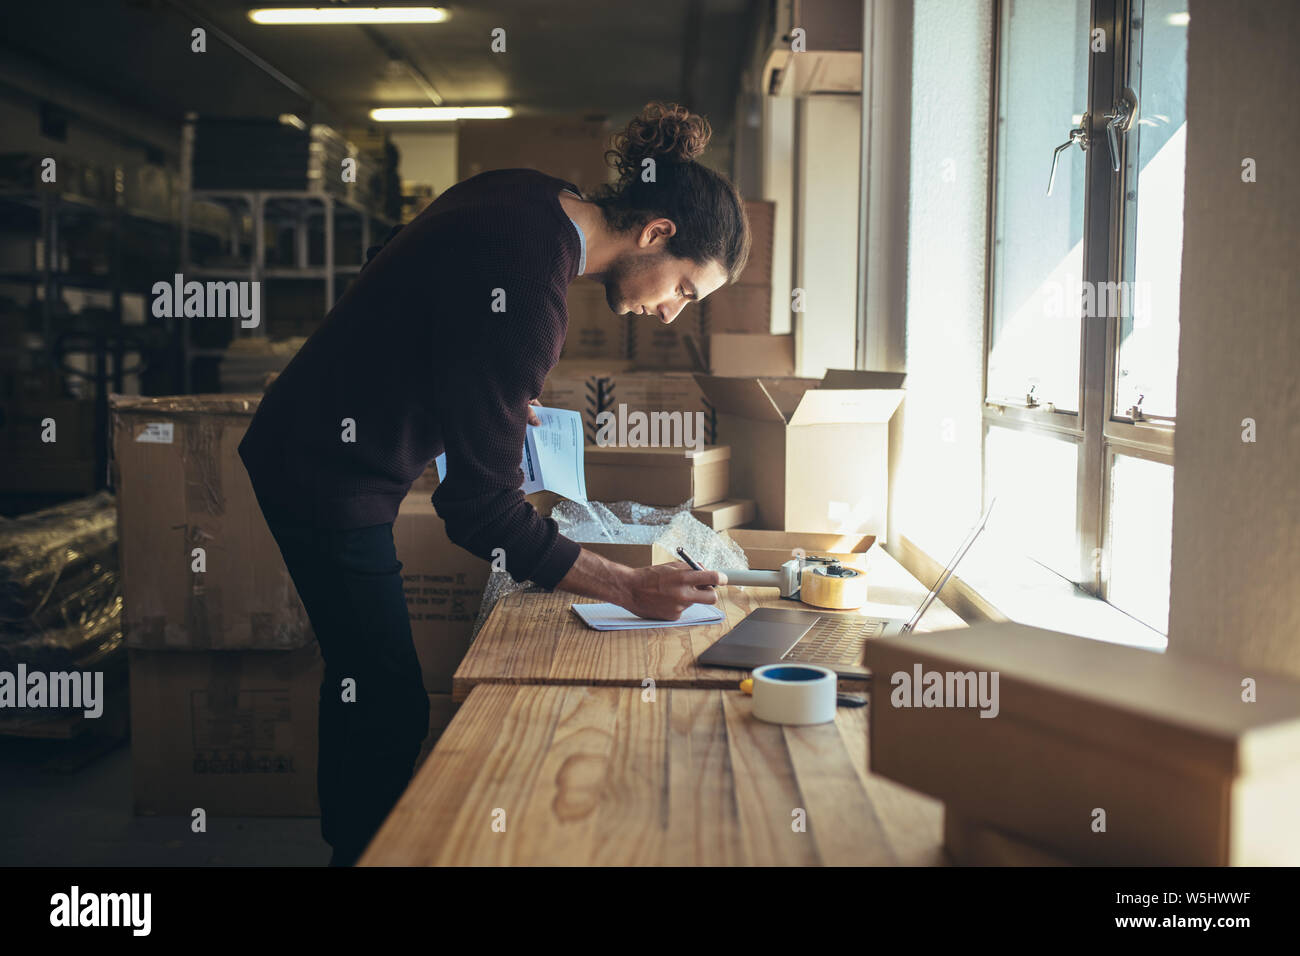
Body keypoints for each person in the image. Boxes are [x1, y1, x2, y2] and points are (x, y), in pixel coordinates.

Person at [237, 102, 750, 866]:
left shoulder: (526, 193)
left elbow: (400, 258)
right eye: (684, 288)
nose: (672, 314)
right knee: (386, 700)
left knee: (362, 676)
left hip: (312, 440)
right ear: (656, 234)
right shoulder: (531, 287)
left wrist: (482, 391)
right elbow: (478, 511)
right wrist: (627, 587)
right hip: (324, 471)